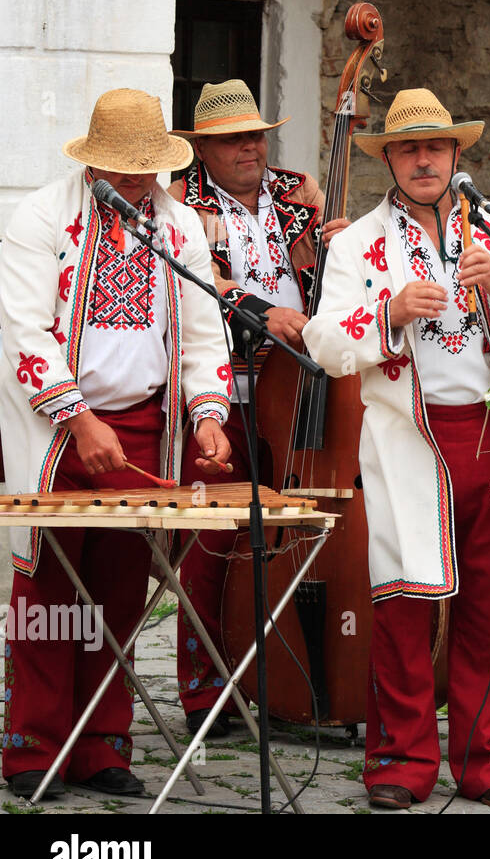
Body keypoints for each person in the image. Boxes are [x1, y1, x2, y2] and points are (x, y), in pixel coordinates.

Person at [301, 88, 490, 811]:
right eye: (407, 149)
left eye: (435, 147)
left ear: (459, 155)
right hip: (407, 443)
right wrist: (385, 314)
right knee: (403, 602)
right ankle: (400, 763)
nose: (423, 159)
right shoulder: (356, 241)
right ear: (388, 159)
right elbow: (323, 343)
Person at [0, 89, 234, 799]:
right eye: (123, 172)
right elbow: (21, 330)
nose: (137, 185)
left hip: (143, 428)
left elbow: (200, 330)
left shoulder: (180, 224)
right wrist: (78, 419)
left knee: (119, 590)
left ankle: (103, 747)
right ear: (93, 161)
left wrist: (209, 414)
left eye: (147, 173)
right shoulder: (42, 215)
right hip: (57, 427)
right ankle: (32, 748)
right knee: (45, 587)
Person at [166, 79, 347, 736]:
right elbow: (191, 281)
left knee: (297, 533)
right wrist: (265, 313)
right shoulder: (179, 203)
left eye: (256, 135)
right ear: (203, 149)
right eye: (232, 139)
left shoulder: (302, 192)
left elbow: (337, 269)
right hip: (221, 392)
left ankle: (289, 674)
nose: (250, 147)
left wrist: (341, 244)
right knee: (210, 542)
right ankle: (205, 687)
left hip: (300, 393)